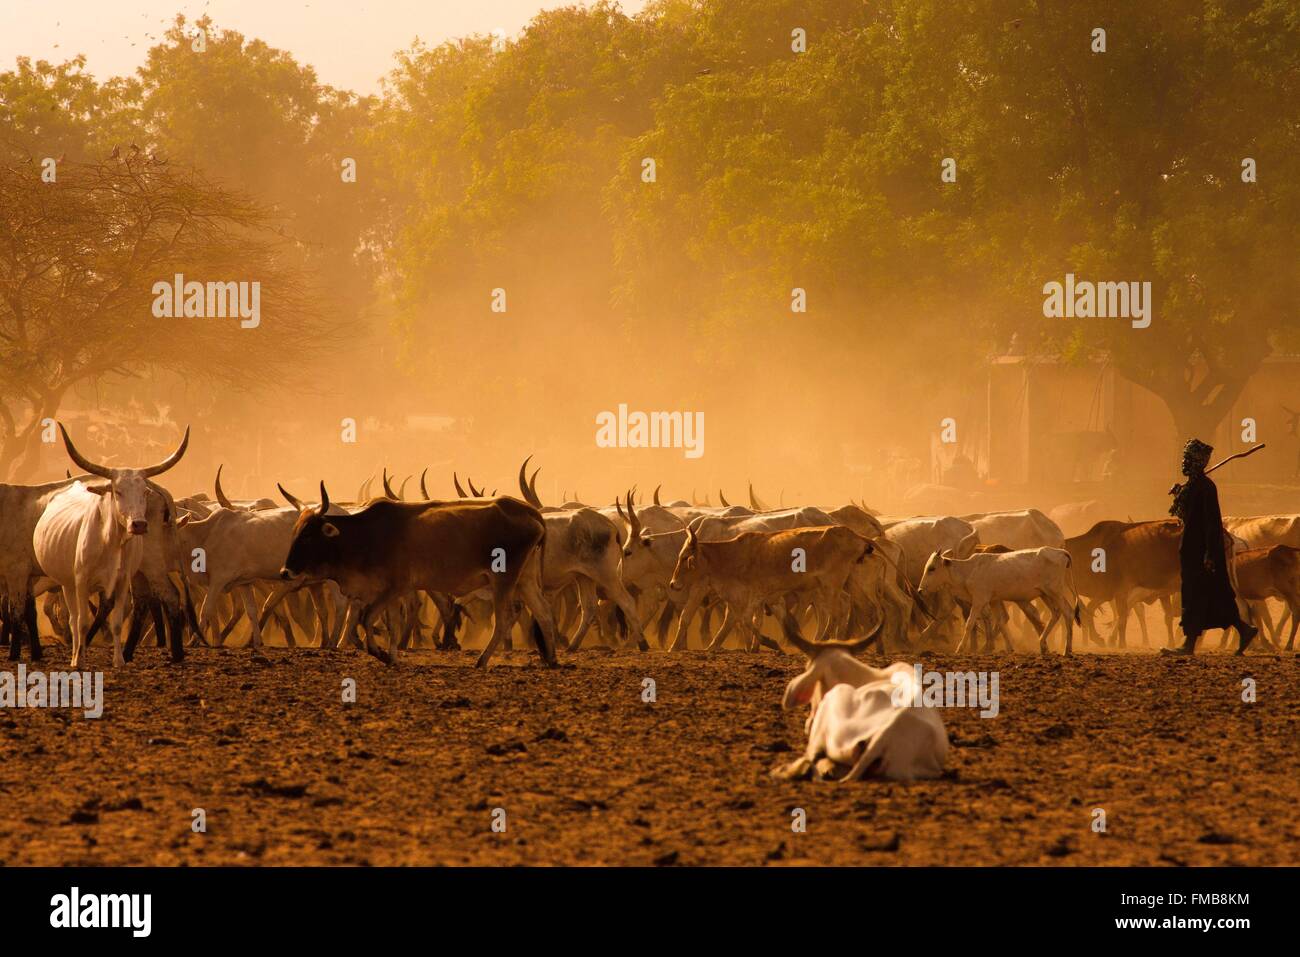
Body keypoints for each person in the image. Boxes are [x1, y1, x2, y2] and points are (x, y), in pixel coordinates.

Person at [1165, 438, 1258, 655]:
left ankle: (1189, 644)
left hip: (1200, 552)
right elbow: (1183, 516)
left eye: (1188, 459)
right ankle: (1244, 629)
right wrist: (1179, 495)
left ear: (1198, 462)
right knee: (1211, 594)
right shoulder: (1193, 486)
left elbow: (1212, 522)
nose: (1184, 462)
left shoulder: (1206, 488)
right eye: (1184, 458)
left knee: (1198, 594)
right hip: (1190, 550)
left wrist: (1210, 552)